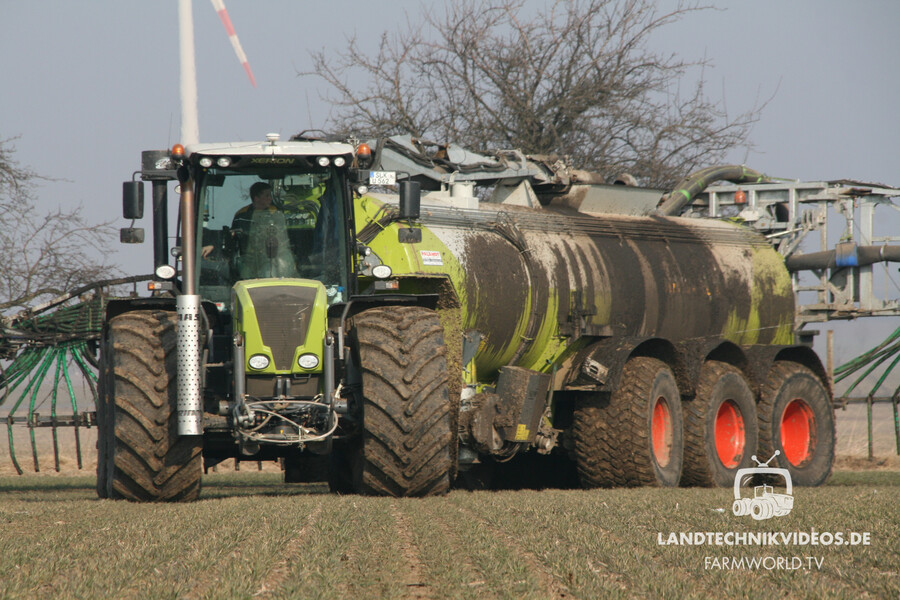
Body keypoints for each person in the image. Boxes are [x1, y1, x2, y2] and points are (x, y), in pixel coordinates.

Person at [229, 182, 298, 279]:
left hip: (274, 255)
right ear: (256, 198)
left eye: (270, 195)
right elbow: (234, 238)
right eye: (267, 195)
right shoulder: (241, 216)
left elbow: (283, 237)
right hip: (249, 258)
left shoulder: (276, 213)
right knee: (244, 274)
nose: (270, 198)